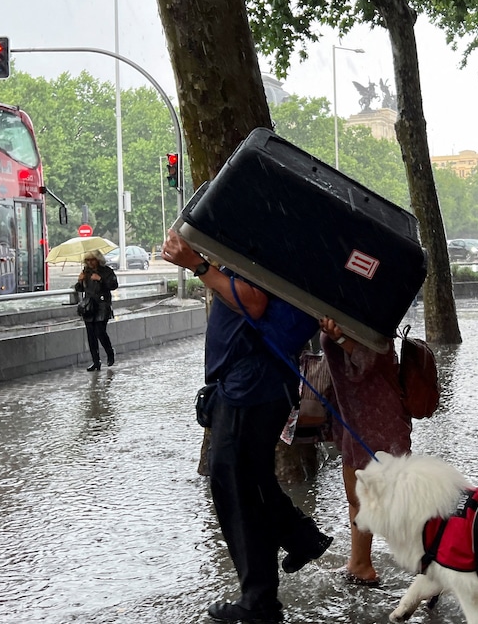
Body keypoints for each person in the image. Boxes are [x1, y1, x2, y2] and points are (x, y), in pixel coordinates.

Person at [161, 229, 332, 624]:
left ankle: (259, 603)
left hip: (251, 385)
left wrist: (198, 265)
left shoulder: (261, 243)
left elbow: (253, 303)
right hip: (250, 383)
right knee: (250, 479)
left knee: (235, 487)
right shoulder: (263, 239)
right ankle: (300, 537)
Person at [318, 316, 411, 587]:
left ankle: (441, 558)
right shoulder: (343, 303)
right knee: (357, 497)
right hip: (354, 417)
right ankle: (360, 564)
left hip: (377, 420)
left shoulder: (369, 309)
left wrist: (340, 339)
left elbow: (372, 357)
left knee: (393, 500)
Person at [74, 250, 118, 371]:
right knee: (91, 335)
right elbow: (79, 289)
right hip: (89, 306)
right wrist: (80, 280)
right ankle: (96, 361)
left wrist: (100, 279)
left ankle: (110, 353)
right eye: (87, 260)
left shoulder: (107, 271)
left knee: (100, 332)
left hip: (102, 305)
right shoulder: (85, 271)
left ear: (98, 260)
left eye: (92, 260)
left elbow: (114, 285)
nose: (90, 262)